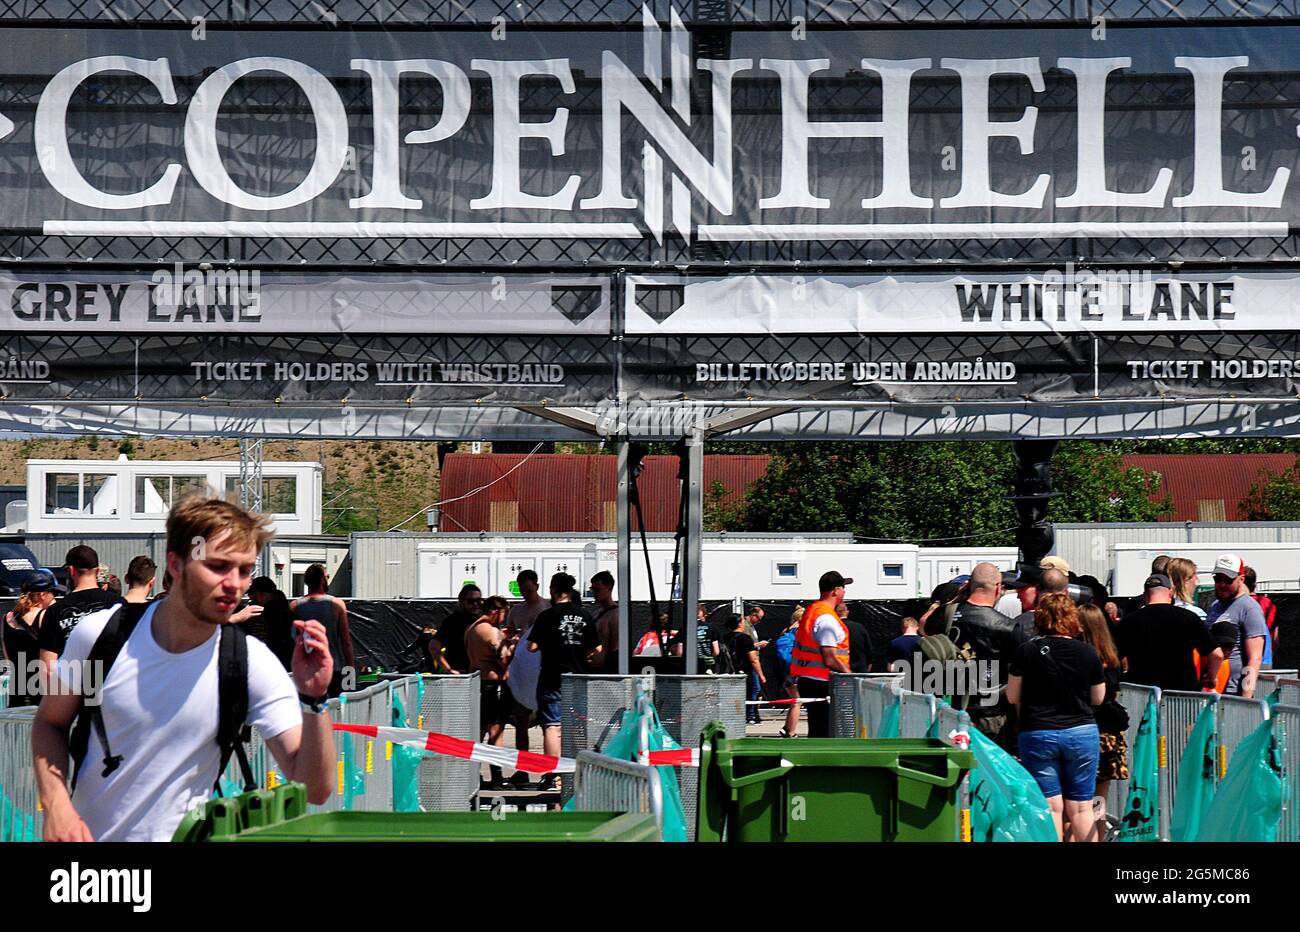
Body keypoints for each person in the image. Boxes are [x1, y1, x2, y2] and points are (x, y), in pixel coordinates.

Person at [32, 497, 336, 841]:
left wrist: (315, 699)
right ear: (175, 565)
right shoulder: (99, 635)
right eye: (219, 566)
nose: (235, 583)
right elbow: (50, 722)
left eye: (245, 570)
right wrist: (56, 805)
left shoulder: (251, 662)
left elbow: (313, 788)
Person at [1006, 592, 1105, 843]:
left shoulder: (1026, 651)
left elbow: (1012, 696)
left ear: (1039, 619)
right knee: (1081, 808)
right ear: (1072, 618)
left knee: (1050, 806)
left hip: (1038, 731)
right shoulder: (1088, 652)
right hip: (1081, 732)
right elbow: (1098, 698)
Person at [527, 574, 601, 790]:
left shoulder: (546, 616)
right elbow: (596, 649)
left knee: (552, 727)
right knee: (578, 725)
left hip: (551, 676)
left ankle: (553, 775)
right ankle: (577, 773)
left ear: (552, 590)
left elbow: (531, 647)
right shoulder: (585, 615)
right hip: (577, 677)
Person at [947, 562, 1017, 750]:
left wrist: (957, 599)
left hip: (950, 708)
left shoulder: (947, 615)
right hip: (990, 711)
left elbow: (924, 625)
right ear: (998, 588)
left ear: (969, 585)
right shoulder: (1007, 626)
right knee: (991, 772)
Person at [1115, 574, 1224, 691]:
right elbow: (1217, 655)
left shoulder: (1129, 622)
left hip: (1143, 697)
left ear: (1146, 595)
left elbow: (1113, 657)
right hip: (1182, 696)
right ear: (1170, 592)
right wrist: (1211, 677)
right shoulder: (1189, 618)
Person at [1078, 603, 1128, 837]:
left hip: (1085, 730)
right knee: (1099, 798)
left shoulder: (1080, 657)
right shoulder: (1111, 658)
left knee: (1078, 799)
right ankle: (1098, 833)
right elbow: (1114, 694)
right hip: (1109, 735)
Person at [37, 546, 125, 677]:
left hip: (72, 689)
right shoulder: (119, 604)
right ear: (98, 570)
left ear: (71, 571)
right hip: (112, 688)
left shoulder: (55, 610)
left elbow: (48, 668)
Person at [791, 571, 853, 738]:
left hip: (809, 679)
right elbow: (830, 658)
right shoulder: (827, 619)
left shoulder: (813, 611)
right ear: (836, 591)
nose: (845, 592)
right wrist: (851, 676)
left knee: (818, 729)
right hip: (822, 682)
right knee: (825, 732)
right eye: (843, 588)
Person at [505, 569, 548, 786]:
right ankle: (523, 768)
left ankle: (550, 771)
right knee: (520, 722)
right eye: (522, 591)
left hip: (542, 671)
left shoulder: (546, 608)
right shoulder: (516, 610)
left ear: (537, 587)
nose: (525, 594)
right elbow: (509, 632)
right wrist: (513, 639)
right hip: (521, 672)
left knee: (548, 724)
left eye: (529, 590)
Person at [1205, 554, 1269, 698]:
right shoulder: (1215, 606)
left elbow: (1255, 658)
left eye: (1228, 580)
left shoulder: (1249, 608)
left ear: (1241, 579)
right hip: (1211, 689)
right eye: (1217, 579)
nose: (1222, 584)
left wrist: (1246, 696)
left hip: (1233, 693)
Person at [466, 595, 512, 789]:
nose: (504, 619)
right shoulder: (492, 632)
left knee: (479, 730)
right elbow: (505, 659)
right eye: (504, 614)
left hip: (477, 683)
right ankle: (497, 777)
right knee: (496, 732)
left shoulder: (471, 629)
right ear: (495, 612)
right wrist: (510, 644)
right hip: (493, 685)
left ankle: (473, 775)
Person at [291, 563, 355, 698]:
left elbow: (292, 639)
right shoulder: (337, 604)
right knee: (335, 709)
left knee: (308, 709)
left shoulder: (295, 606)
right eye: (327, 576)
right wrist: (350, 670)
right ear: (322, 580)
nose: (328, 578)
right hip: (333, 668)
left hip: (306, 670)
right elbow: (346, 641)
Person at [2, 571, 64, 706]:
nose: (54, 597)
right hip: (40, 689)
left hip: (17, 688)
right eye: (52, 593)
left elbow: (8, 656)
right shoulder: (45, 616)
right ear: (42, 595)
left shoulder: (7, 618)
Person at [429, 584, 481, 674]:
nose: (476, 604)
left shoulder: (479, 618)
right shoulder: (453, 621)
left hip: (478, 674)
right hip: (461, 675)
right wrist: (449, 670)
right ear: (462, 602)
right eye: (471, 601)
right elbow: (433, 646)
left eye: (479, 600)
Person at [1011, 567, 1069, 649]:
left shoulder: (1021, 623)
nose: (1018, 596)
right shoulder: (1072, 619)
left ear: (1037, 589)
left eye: (1022, 590)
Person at [723, 613, 764, 726]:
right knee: (753, 690)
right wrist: (761, 674)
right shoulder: (745, 638)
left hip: (730, 671)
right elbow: (753, 659)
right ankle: (750, 715)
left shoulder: (725, 637)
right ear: (740, 623)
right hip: (745, 670)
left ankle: (734, 714)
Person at [249, 576, 296, 670]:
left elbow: (257, 643)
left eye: (252, 595)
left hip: (267, 664)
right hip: (289, 661)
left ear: (260, 595)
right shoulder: (288, 612)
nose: (250, 598)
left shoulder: (257, 615)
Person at [776, 606, 803, 737]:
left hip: (785, 671)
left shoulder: (785, 631)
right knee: (798, 701)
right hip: (795, 670)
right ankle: (791, 732)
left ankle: (787, 727)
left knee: (795, 701)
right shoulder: (799, 632)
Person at [1242, 566, 1277, 668]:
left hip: (1246, 660)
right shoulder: (1268, 604)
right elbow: (1275, 637)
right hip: (1265, 659)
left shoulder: (1239, 604)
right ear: (1254, 584)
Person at [589, 571, 618, 671]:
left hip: (606, 669)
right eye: (592, 590)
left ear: (608, 587)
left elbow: (616, 649)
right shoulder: (596, 614)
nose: (594, 594)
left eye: (597, 590)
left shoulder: (615, 615)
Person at [1166, 557, 1206, 622]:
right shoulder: (1196, 614)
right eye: (1194, 576)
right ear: (1186, 581)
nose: (1196, 581)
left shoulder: (1160, 611)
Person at [842, 603, 873, 674]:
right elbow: (868, 648)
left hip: (841, 669)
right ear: (847, 612)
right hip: (860, 669)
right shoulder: (859, 627)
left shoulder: (835, 626)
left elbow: (834, 651)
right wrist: (869, 662)